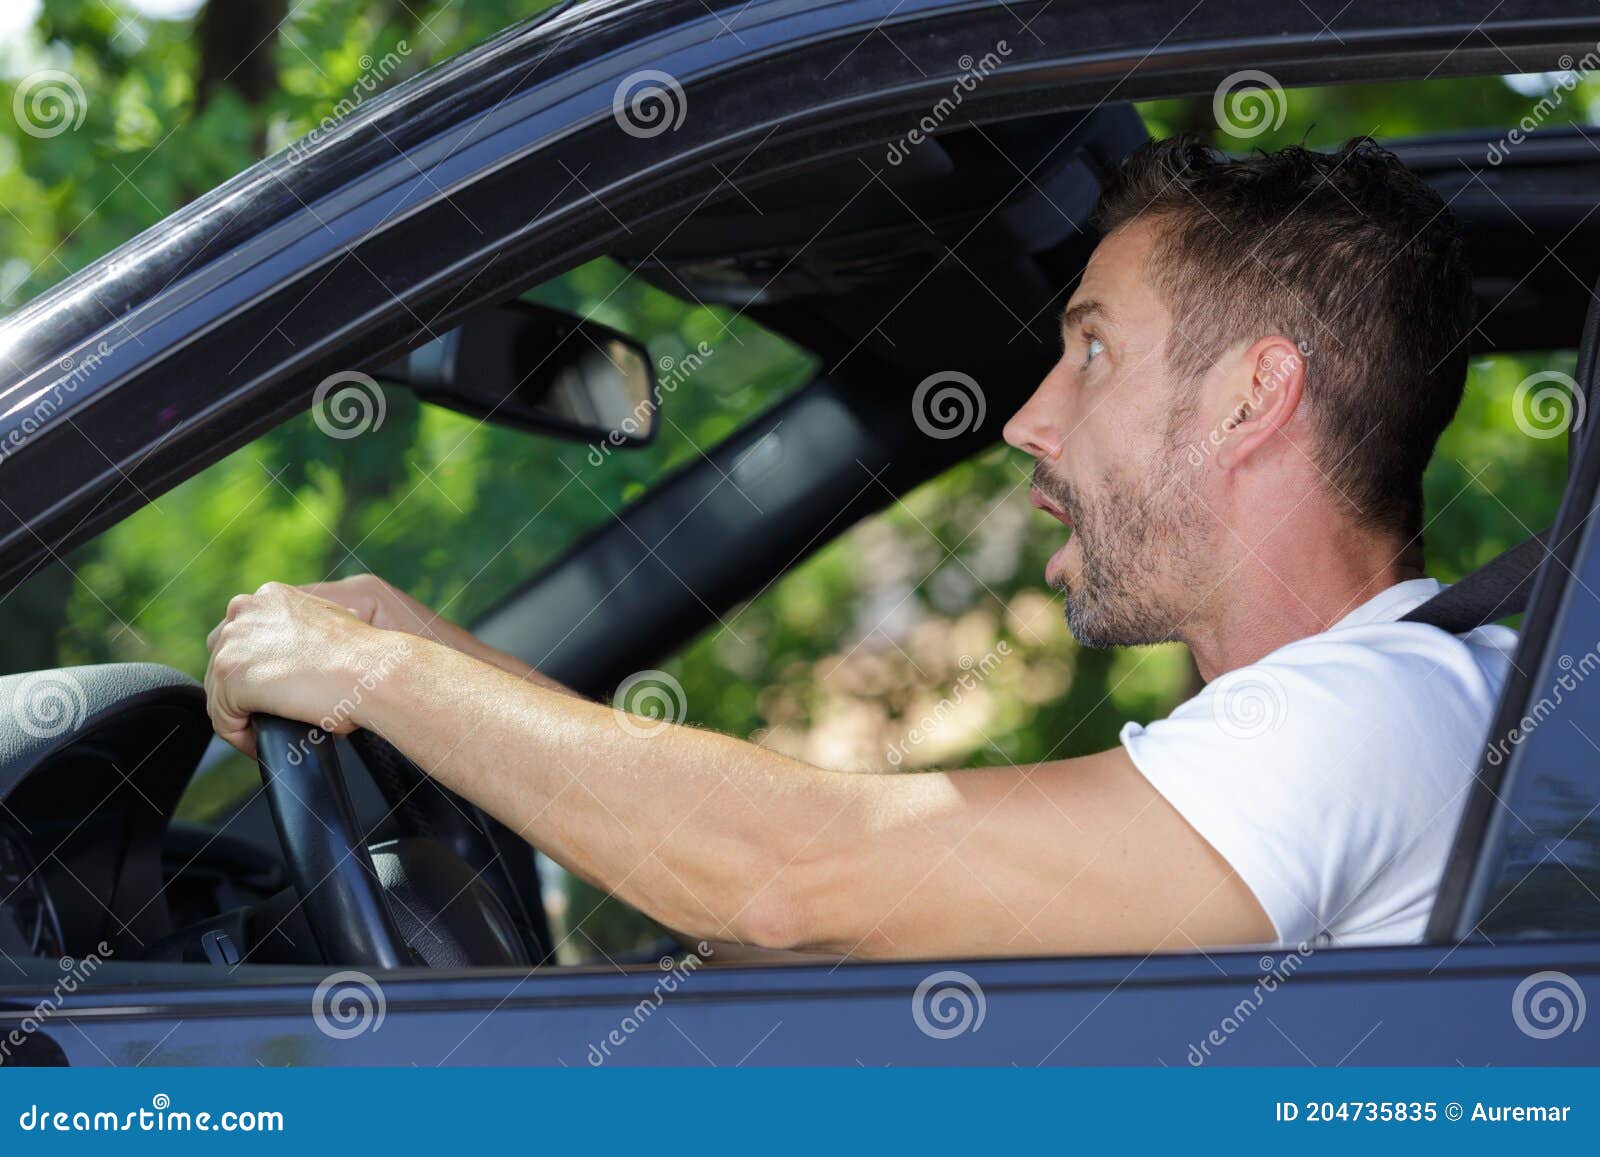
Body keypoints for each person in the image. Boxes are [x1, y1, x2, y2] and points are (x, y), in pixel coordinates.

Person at [203, 136, 1514, 957]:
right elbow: (831, 913)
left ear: (1250, 397)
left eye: (1092, 349)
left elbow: (794, 877)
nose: (1027, 418)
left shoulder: (1373, 718)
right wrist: (431, 655)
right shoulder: (1363, 719)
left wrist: (382, 683)